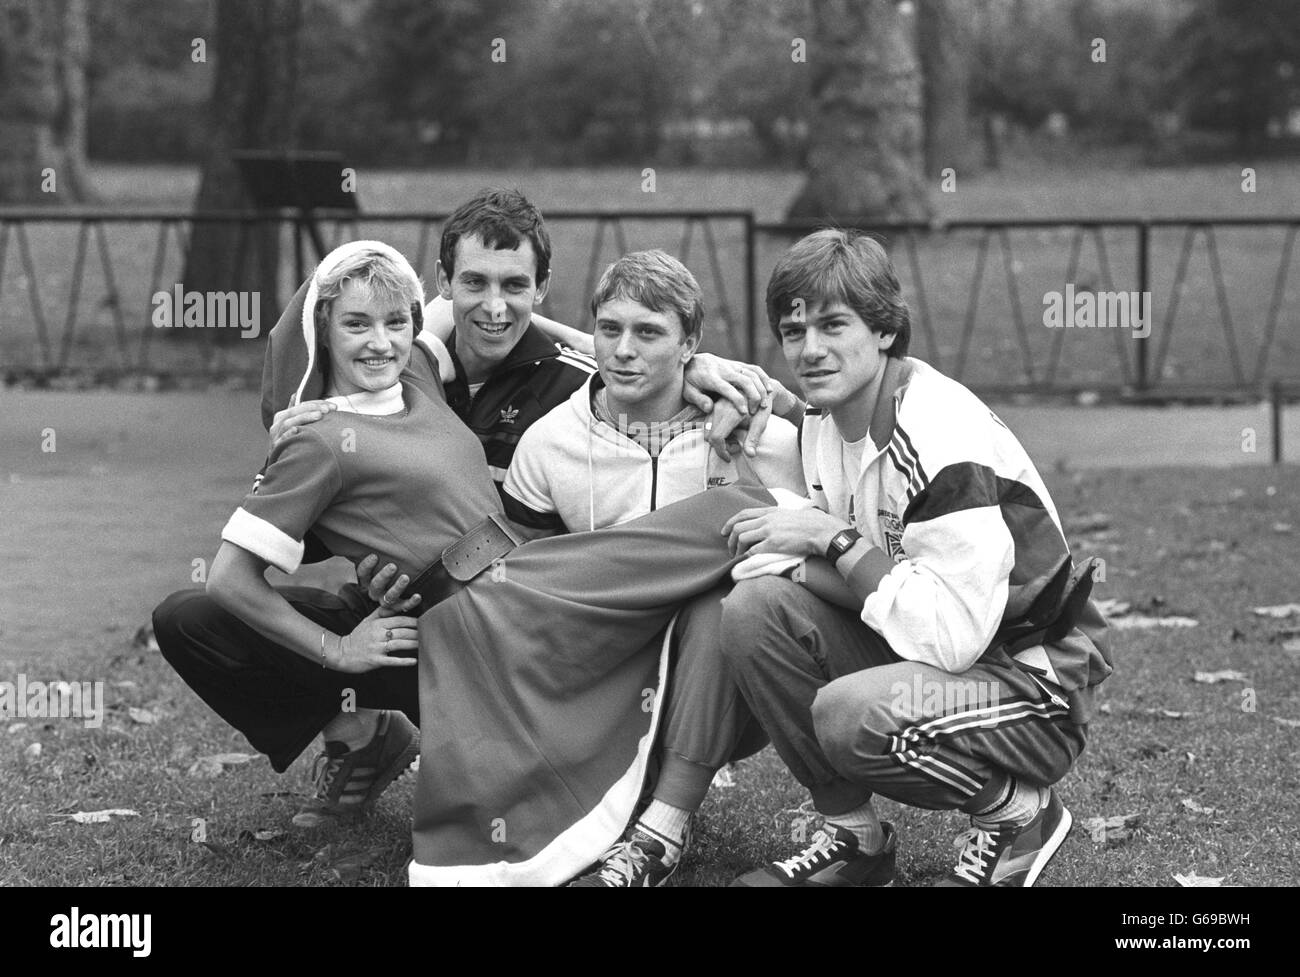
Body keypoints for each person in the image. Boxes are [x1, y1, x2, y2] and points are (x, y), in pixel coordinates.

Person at [157, 239, 779, 886]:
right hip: (456, 628)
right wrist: (338, 649)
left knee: (707, 528)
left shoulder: (416, 376)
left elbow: (483, 308)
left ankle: (646, 778)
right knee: (191, 617)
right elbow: (230, 578)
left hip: (527, 585)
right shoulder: (315, 438)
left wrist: (685, 361)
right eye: (356, 324)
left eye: (397, 322)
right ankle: (365, 736)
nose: (381, 341)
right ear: (321, 330)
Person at [717, 229, 1112, 887]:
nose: (810, 349)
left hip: (1032, 680)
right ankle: (853, 838)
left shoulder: (937, 435)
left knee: (850, 712)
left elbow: (951, 637)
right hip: (948, 651)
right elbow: (868, 563)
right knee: (754, 610)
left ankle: (1019, 815)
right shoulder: (827, 415)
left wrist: (830, 541)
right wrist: (712, 381)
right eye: (793, 331)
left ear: (882, 330)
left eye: (833, 325)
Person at [500, 250, 804, 886]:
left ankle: (663, 827)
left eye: (648, 332)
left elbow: (838, 493)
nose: (622, 351)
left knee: (719, 599)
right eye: (609, 330)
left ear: (690, 342)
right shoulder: (548, 443)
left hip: (725, 678)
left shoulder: (765, 440)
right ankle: (603, 789)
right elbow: (523, 582)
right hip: (598, 677)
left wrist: (784, 401)